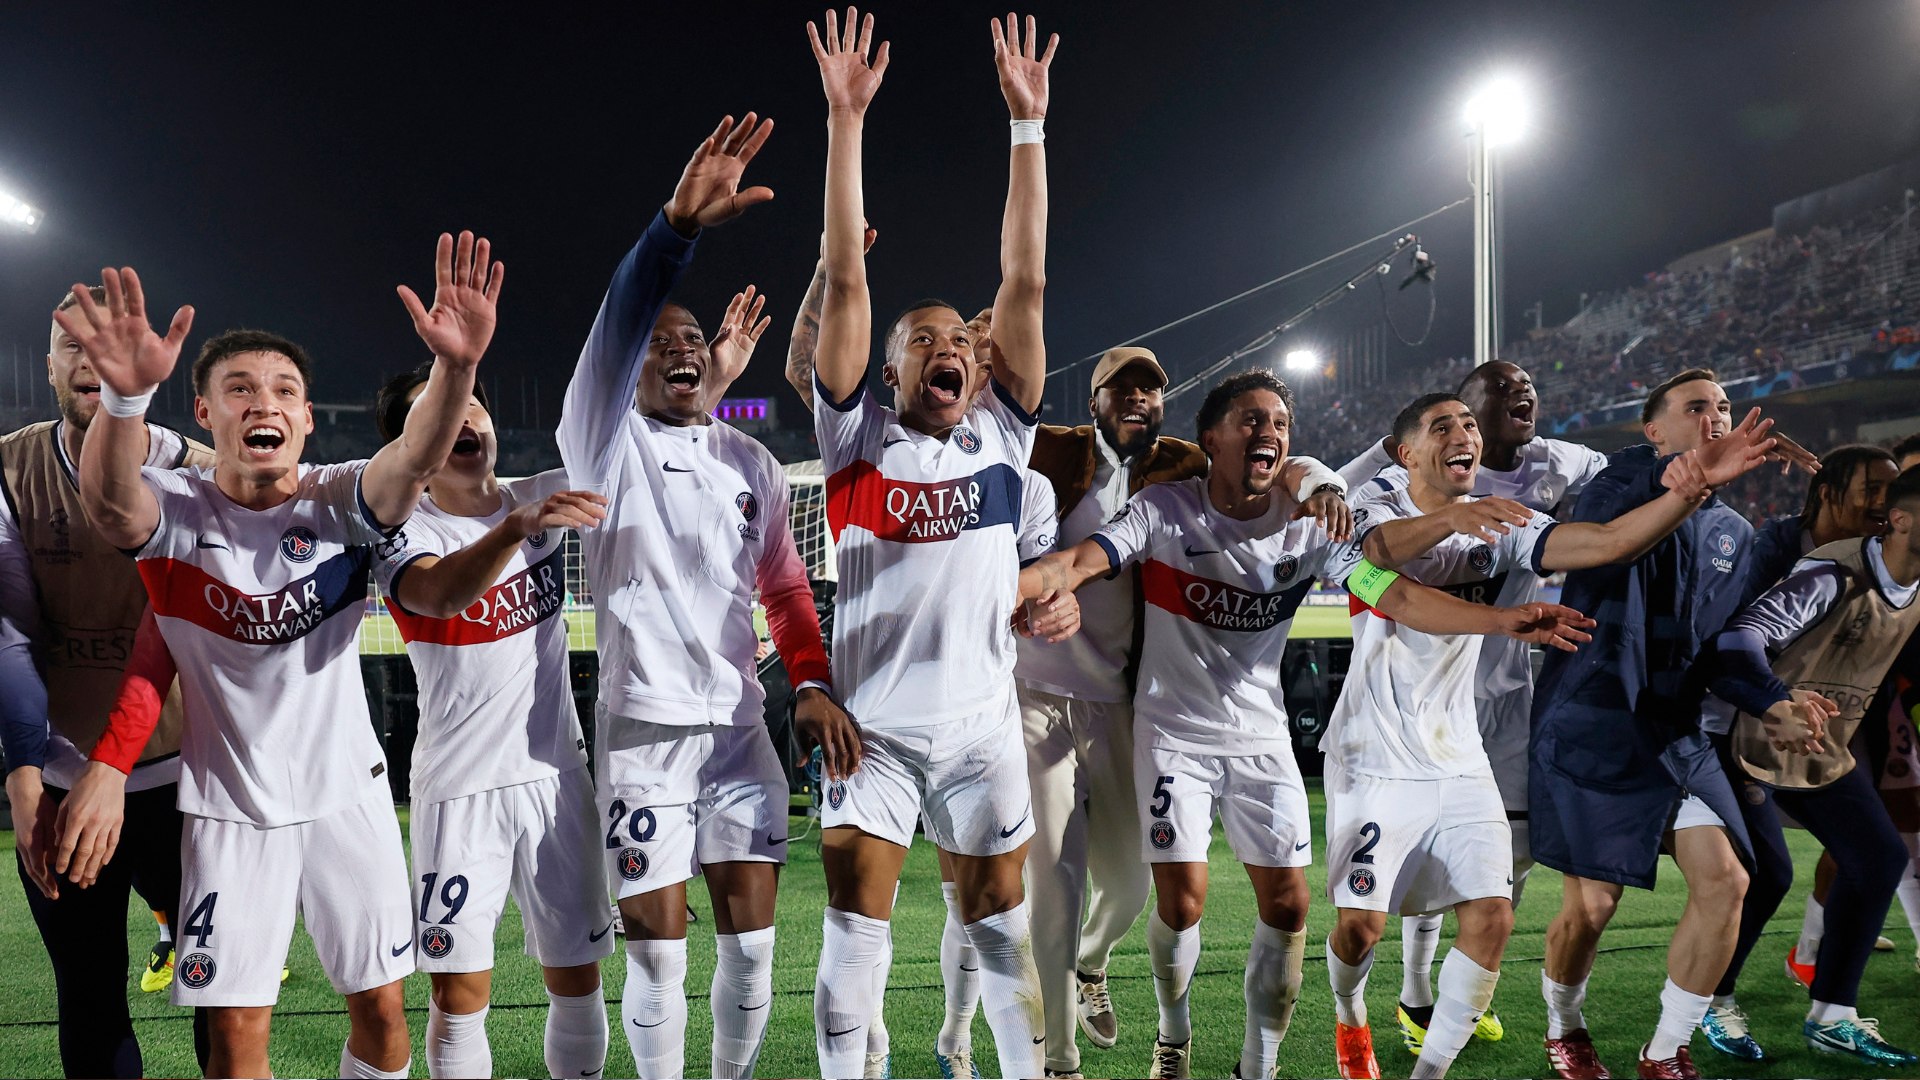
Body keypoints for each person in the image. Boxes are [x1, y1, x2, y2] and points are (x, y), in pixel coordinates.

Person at [1020, 369, 1593, 1080]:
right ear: (1210, 440)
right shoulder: (1166, 508)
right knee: (1182, 900)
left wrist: (1500, 621)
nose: (1269, 432)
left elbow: (1392, 595)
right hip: (1173, 733)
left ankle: (1257, 1067)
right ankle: (1175, 1036)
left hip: (1263, 738)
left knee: (1290, 908)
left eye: (1280, 424)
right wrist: (1026, 587)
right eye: (1251, 420)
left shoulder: (1311, 525)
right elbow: (1082, 559)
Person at [58, 232, 499, 1079]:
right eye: (240, 389)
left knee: (383, 1015)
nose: (264, 402)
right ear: (205, 413)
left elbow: (413, 458)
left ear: (305, 418)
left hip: (348, 797)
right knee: (234, 1039)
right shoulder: (176, 507)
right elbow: (110, 506)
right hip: (228, 810)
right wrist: (124, 400)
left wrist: (458, 369)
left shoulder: (341, 499)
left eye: (284, 391)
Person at [1325, 391, 1776, 1080]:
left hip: (1460, 753)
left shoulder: (1501, 520)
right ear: (1407, 453)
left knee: (1493, 918)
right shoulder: (1370, 506)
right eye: (1442, 426)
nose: (1463, 434)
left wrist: (1690, 492)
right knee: (1360, 929)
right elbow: (1393, 583)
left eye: (1468, 424)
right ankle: (1349, 1011)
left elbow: (1607, 542)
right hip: (1372, 753)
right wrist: (1459, 534)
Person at [802, 9, 1067, 1078]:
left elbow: (1025, 281)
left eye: (961, 338)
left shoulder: (1004, 434)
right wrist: (846, 120)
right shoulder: (853, 438)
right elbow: (847, 280)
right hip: (871, 733)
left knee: (1002, 936)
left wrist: (1026, 127)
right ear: (892, 370)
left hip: (980, 729)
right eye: (925, 341)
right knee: (853, 948)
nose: (949, 347)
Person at [557, 115, 838, 1080]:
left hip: (739, 732)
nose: (681, 347)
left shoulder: (749, 459)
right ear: (631, 363)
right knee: (657, 960)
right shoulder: (604, 442)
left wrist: (810, 682)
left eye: (694, 340)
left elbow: (785, 588)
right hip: (644, 734)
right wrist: (675, 228)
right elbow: (620, 318)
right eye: (661, 341)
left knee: (753, 955)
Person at [1528, 368, 1815, 1080]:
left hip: (1676, 734)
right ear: (1654, 430)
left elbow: (1719, 646)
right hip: (1598, 724)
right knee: (1592, 908)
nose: (1714, 416)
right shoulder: (1620, 482)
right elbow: (1607, 540)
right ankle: (1565, 1027)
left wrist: (1772, 702)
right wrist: (1679, 481)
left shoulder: (1734, 532)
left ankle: (1665, 1051)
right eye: (1696, 407)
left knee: (1727, 882)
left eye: (1723, 407)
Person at [1339, 360, 1607, 1053]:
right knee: (1378, 904)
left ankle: (1443, 991)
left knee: (1502, 868)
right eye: (1497, 393)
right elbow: (1372, 560)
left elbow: (1608, 504)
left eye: (1527, 389)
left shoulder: (1553, 468)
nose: (1523, 397)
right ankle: (1408, 994)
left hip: (1498, 699)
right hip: (1396, 724)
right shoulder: (1387, 493)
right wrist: (1458, 529)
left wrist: (1686, 482)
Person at [367, 366, 613, 1079]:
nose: (465, 418)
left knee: (577, 976)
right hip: (459, 786)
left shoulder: (543, 494)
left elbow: (636, 448)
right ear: (412, 444)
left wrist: (708, 385)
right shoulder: (400, 530)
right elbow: (439, 594)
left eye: (472, 403)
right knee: (459, 995)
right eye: (440, 411)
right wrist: (512, 531)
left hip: (557, 777)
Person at [0, 284, 214, 1078]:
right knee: (89, 999)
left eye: (108, 344)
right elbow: (9, 629)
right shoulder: (9, 465)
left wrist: (112, 768)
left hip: (193, 780)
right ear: (49, 366)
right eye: (73, 346)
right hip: (59, 778)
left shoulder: (203, 470)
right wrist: (26, 776)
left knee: (224, 994)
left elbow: (172, 632)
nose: (91, 361)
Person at [1694, 466, 1920, 1068]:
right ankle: (1712, 1000)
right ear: (1901, 520)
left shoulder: (1914, 586)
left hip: (1818, 741)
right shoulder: (1831, 573)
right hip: (1747, 729)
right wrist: (1777, 700)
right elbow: (1738, 640)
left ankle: (1832, 1016)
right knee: (1769, 873)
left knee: (1879, 858)